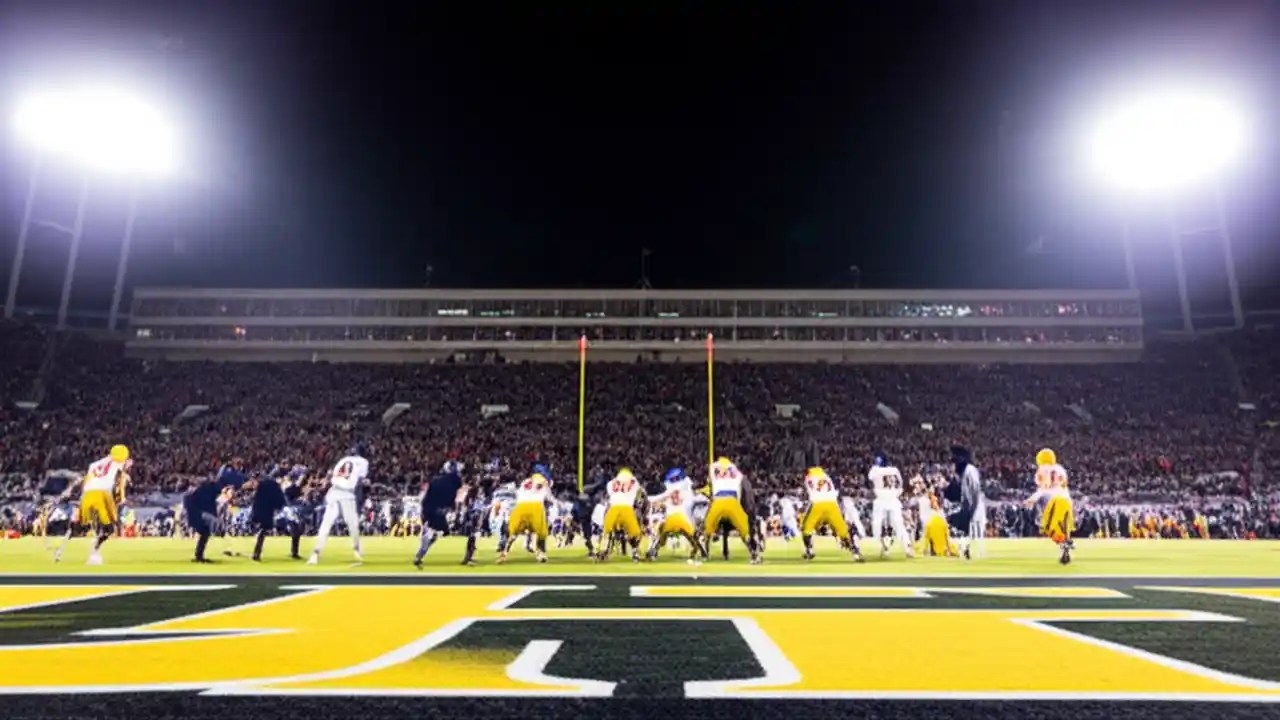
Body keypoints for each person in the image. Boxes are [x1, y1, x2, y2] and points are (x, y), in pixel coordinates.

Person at [53, 444, 130, 565]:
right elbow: (121, 478)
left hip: (88, 493)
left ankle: (60, 551)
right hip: (102, 493)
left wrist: (72, 495)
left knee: (80, 525)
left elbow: (85, 480)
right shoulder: (118, 462)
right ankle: (95, 548)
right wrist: (122, 496)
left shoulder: (94, 465)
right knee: (109, 528)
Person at [308, 443, 369, 565]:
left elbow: (332, 475)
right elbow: (362, 480)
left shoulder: (343, 460)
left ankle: (315, 553)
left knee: (326, 524)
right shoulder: (363, 461)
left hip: (334, 492)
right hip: (347, 494)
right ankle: (356, 549)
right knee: (353, 524)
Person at [184, 458, 250, 563]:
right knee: (207, 527)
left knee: (205, 531)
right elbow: (233, 484)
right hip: (198, 505)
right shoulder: (225, 476)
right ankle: (199, 555)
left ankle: (199, 556)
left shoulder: (222, 475)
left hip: (195, 503)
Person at [703, 456, 760, 564]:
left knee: (708, 527)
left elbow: (711, 467)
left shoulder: (716, 480)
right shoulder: (735, 480)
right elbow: (740, 475)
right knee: (744, 530)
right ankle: (753, 553)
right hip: (732, 503)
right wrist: (729, 466)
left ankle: (705, 552)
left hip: (719, 502)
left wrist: (719, 464)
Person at [800, 466, 863, 562]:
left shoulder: (809, 477)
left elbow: (810, 491)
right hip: (832, 503)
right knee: (843, 531)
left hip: (817, 503)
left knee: (806, 528)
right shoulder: (826, 477)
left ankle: (809, 550)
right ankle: (855, 553)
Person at [646, 467, 707, 562]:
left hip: (670, 521)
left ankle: (653, 551)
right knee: (694, 537)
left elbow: (656, 499)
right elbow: (701, 499)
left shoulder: (668, 491)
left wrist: (647, 498)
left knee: (660, 535)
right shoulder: (688, 490)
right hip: (685, 522)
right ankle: (703, 553)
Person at [1026, 448, 1074, 564]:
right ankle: (1065, 546)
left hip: (1052, 500)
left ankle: (1064, 544)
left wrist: (1033, 498)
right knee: (1064, 527)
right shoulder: (1061, 469)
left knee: (1050, 528)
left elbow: (1045, 488)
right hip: (1066, 500)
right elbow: (1064, 487)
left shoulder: (1042, 470)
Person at [499, 464, 553, 563]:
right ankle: (541, 554)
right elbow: (548, 497)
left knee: (514, 533)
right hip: (535, 506)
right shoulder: (543, 480)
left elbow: (519, 494)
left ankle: (504, 553)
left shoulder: (525, 481)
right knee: (542, 532)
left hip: (520, 507)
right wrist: (552, 500)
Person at [414, 462, 462, 568]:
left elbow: (427, 497)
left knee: (435, 531)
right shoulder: (453, 482)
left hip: (430, 508)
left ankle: (421, 552)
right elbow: (452, 496)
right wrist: (448, 507)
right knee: (435, 532)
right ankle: (421, 552)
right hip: (436, 509)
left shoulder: (436, 480)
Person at [868, 455, 913, 559]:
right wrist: (897, 493)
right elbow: (901, 484)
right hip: (892, 499)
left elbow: (870, 478)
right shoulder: (894, 470)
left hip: (881, 499)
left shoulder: (874, 470)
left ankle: (885, 547)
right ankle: (906, 547)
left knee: (878, 525)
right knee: (898, 525)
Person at [597, 468, 644, 563]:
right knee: (634, 532)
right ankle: (635, 553)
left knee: (607, 531)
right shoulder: (634, 482)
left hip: (614, 508)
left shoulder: (610, 483)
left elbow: (611, 496)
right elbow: (638, 498)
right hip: (627, 509)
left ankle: (604, 551)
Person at [951, 445, 986, 559]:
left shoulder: (970, 470)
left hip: (974, 503)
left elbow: (975, 489)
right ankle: (969, 551)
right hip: (969, 504)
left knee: (975, 528)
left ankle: (976, 552)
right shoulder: (966, 471)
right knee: (968, 529)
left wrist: (973, 506)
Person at [249, 467, 288, 562]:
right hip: (267, 510)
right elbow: (278, 498)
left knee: (262, 529)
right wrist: (280, 506)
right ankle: (256, 552)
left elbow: (255, 495)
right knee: (263, 530)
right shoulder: (273, 484)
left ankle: (256, 551)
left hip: (258, 508)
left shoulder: (263, 483)